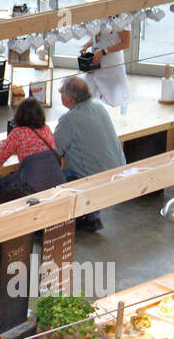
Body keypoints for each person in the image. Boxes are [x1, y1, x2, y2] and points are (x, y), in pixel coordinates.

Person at [53, 76, 126, 231]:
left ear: (68, 99)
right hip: (120, 172)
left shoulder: (69, 120)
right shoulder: (99, 107)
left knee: (55, 176)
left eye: (61, 92)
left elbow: (55, 150)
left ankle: (65, 221)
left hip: (98, 181)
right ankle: (92, 217)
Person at [0, 97, 61, 205]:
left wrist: (4, 147)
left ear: (19, 115)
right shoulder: (46, 128)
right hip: (55, 179)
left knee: (1, 183)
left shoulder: (17, 133)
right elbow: (37, 146)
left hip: (32, 184)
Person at [80, 0, 130, 108]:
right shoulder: (101, 15)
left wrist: (104, 51)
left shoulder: (121, 19)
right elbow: (98, 37)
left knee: (114, 97)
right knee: (87, 92)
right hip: (94, 61)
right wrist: (87, 45)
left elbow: (125, 43)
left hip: (111, 63)